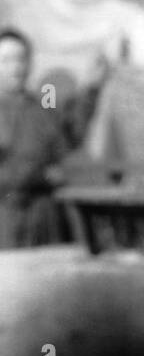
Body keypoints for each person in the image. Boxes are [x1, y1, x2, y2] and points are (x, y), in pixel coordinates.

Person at [0, 27, 105, 248]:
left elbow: (67, 140)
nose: (16, 67)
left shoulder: (41, 109)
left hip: (45, 220)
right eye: (7, 60)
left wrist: (91, 89)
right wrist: (37, 175)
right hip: (6, 220)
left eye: (21, 59)